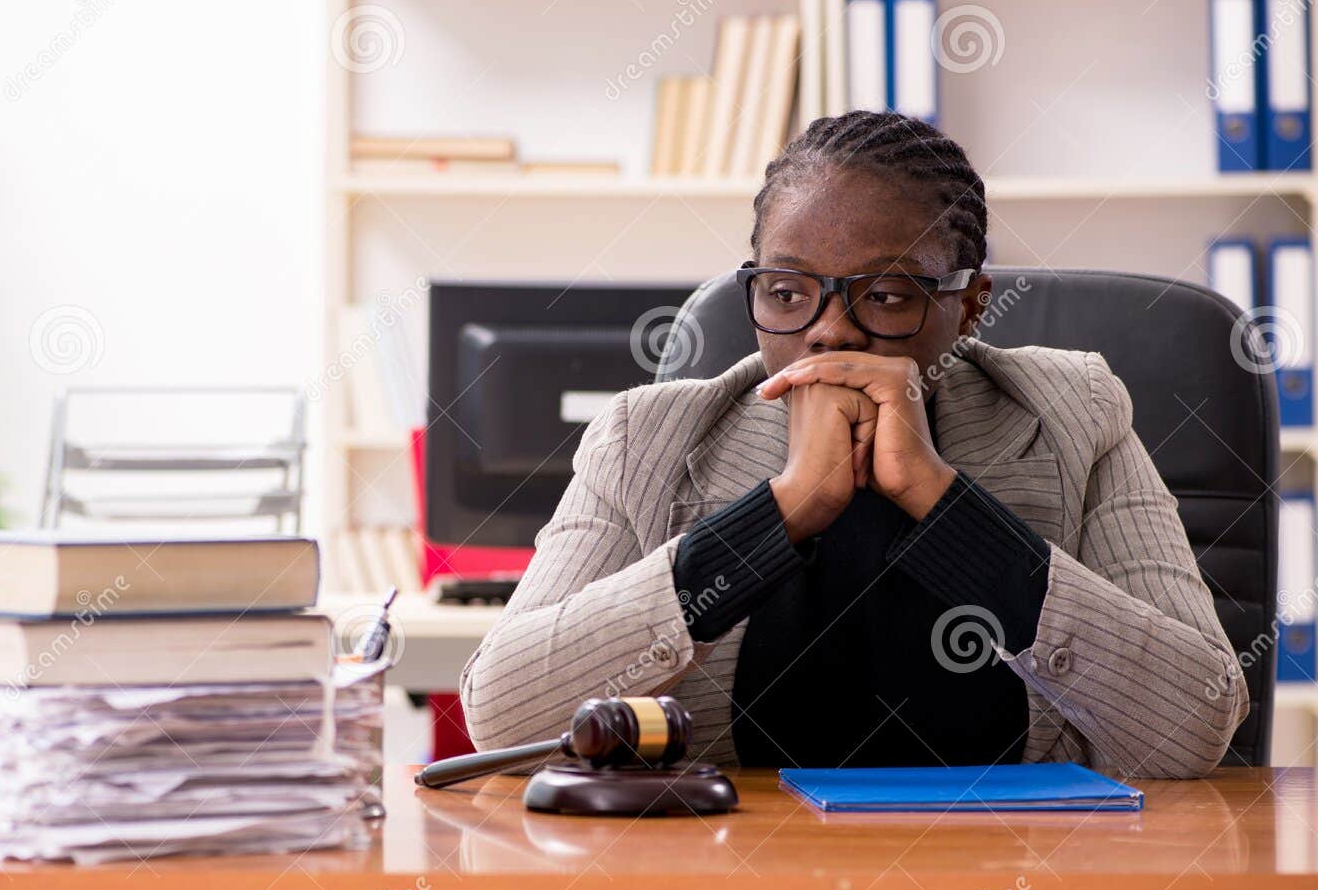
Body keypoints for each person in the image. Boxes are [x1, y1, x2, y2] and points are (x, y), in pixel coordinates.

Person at [459, 109, 1248, 777]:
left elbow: (1194, 726)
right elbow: (502, 716)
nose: (829, 331)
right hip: (735, 878)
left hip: (1015, 872)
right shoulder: (649, 437)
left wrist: (944, 505)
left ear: (971, 306)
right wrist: (778, 515)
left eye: (888, 295)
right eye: (786, 292)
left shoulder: (1074, 412)